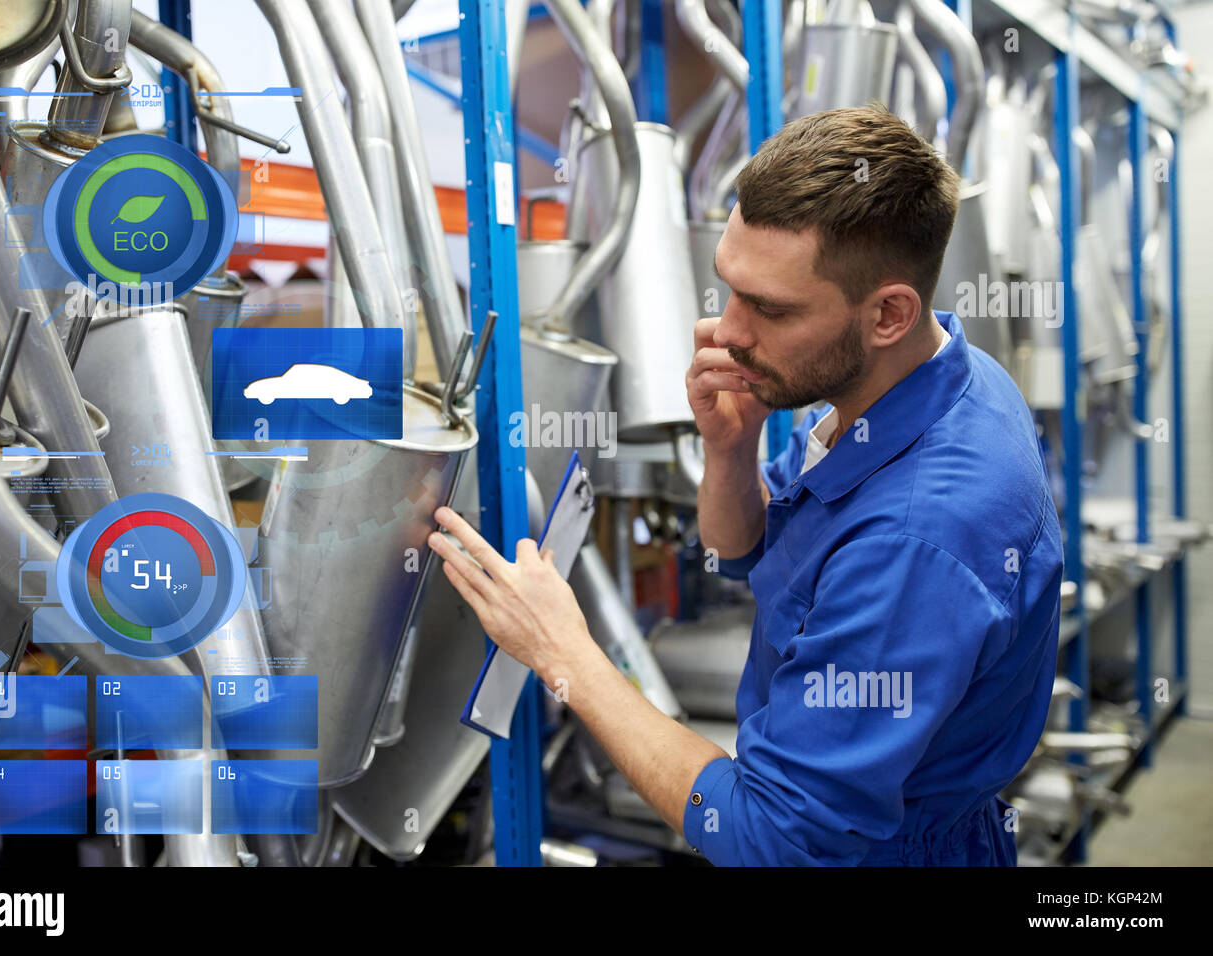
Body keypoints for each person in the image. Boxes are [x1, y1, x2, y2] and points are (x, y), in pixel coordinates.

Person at [428, 105, 1063, 866]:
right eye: (728, 286)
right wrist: (732, 450)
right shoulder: (905, 380)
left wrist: (566, 654)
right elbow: (750, 549)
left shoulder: (918, 540)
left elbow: (773, 839)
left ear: (889, 312)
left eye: (769, 307)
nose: (726, 330)